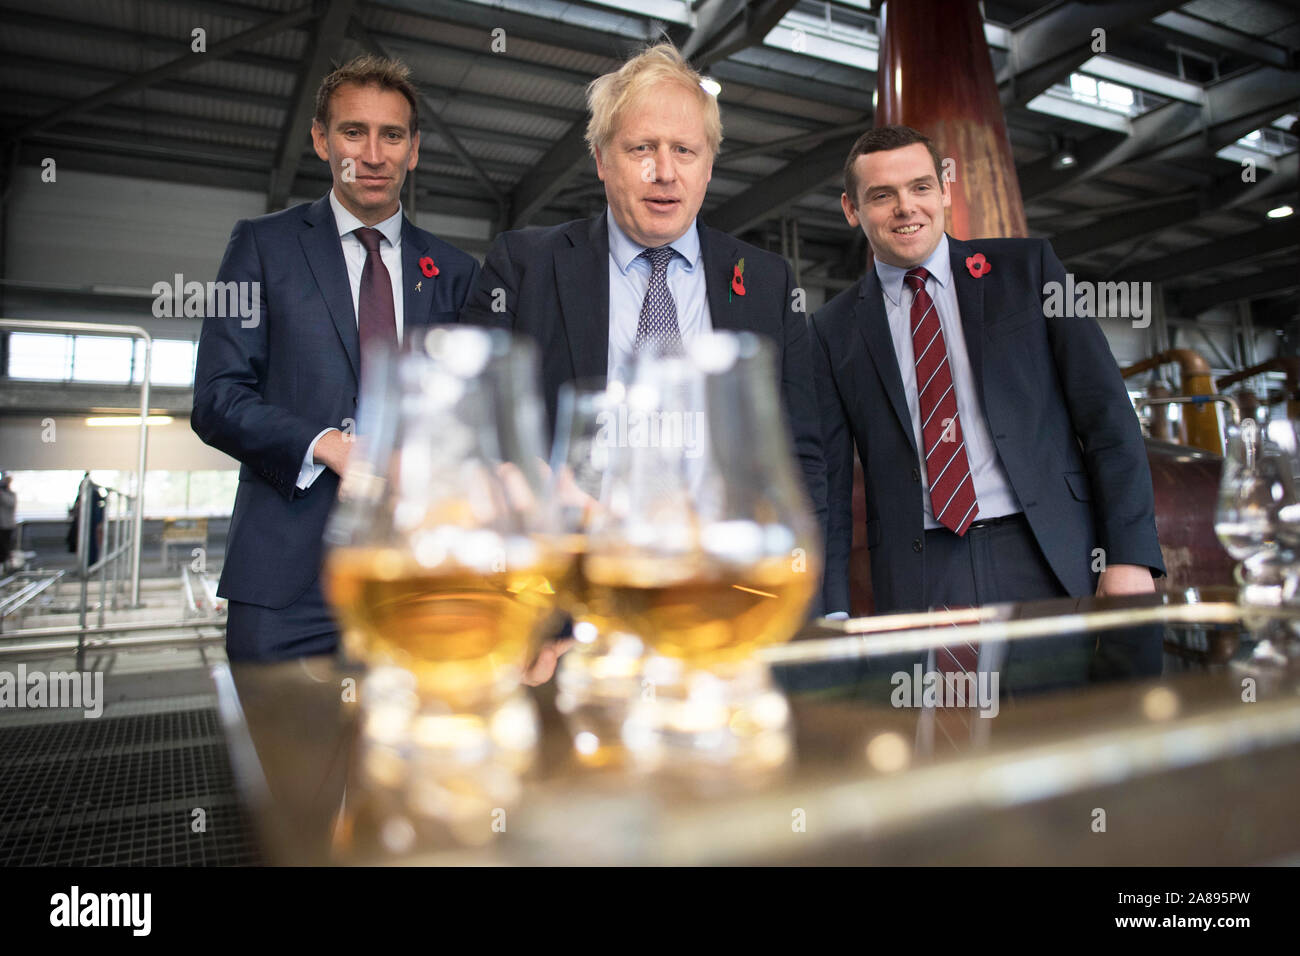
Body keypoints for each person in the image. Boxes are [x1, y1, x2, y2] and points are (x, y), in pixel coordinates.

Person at [459, 43, 827, 551]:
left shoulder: (768, 282)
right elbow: (471, 419)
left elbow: (801, 456)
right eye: (641, 149)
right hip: (571, 570)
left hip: (723, 574)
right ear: (601, 160)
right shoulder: (523, 265)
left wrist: (810, 583)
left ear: (709, 165)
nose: (665, 172)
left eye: (685, 151)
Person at [812, 125, 1164, 622]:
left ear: (944, 190)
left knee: (1072, 677)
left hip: (1051, 550)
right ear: (852, 209)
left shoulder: (1029, 270)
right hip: (922, 569)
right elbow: (827, 481)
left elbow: (1107, 414)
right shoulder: (830, 329)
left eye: (920, 187)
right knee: (943, 681)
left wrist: (1129, 556)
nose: (906, 208)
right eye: (882, 195)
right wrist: (831, 610)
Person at [192, 56, 480, 662]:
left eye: (392, 135)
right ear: (322, 140)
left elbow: (472, 415)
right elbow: (218, 398)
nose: (372, 155)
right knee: (279, 730)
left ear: (414, 150)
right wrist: (329, 445)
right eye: (354, 132)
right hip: (285, 585)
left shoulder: (455, 272)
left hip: (416, 574)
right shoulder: (261, 246)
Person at [0, 474, 16, 572]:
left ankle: (7, 566)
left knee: (6, 547)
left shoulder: (10, 494)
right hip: (2, 525)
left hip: (6, 526)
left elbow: (10, 503)